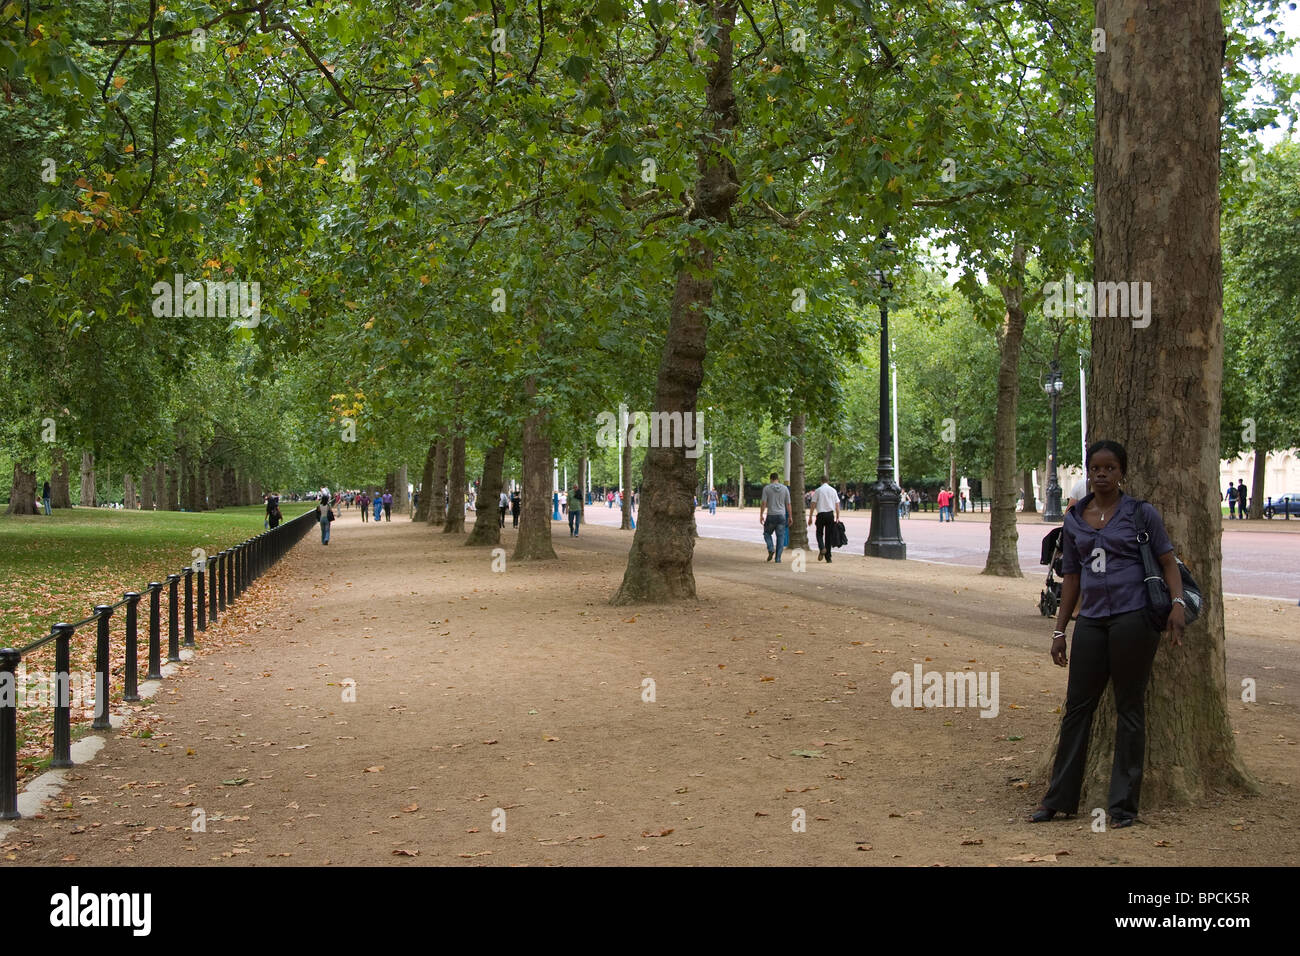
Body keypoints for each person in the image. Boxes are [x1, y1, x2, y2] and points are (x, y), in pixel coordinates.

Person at [1032, 440, 1185, 829]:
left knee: (1128, 708)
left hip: (1134, 618)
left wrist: (1178, 605)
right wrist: (1059, 630)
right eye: (1095, 468)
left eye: (1110, 468)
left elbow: (1168, 563)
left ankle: (1123, 806)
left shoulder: (1140, 513)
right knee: (1077, 709)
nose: (1101, 474)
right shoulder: (1075, 519)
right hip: (1092, 621)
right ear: (1089, 472)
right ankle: (1059, 799)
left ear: (1122, 473)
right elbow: (1071, 578)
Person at [759, 472, 791, 563]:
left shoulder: (767, 488)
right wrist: (790, 516)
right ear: (778, 479)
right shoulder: (785, 489)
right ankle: (778, 558)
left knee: (767, 533)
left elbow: (764, 503)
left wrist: (761, 515)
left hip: (771, 515)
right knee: (780, 537)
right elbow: (788, 504)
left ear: (771, 479)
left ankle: (771, 548)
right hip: (781, 515)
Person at [808, 474, 841, 563]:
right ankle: (828, 557)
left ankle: (822, 547)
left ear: (821, 481)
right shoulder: (833, 490)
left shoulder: (818, 490)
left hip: (821, 514)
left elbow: (813, 504)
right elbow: (837, 504)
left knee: (819, 533)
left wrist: (810, 516)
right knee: (828, 536)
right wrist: (837, 516)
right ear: (828, 481)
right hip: (830, 515)